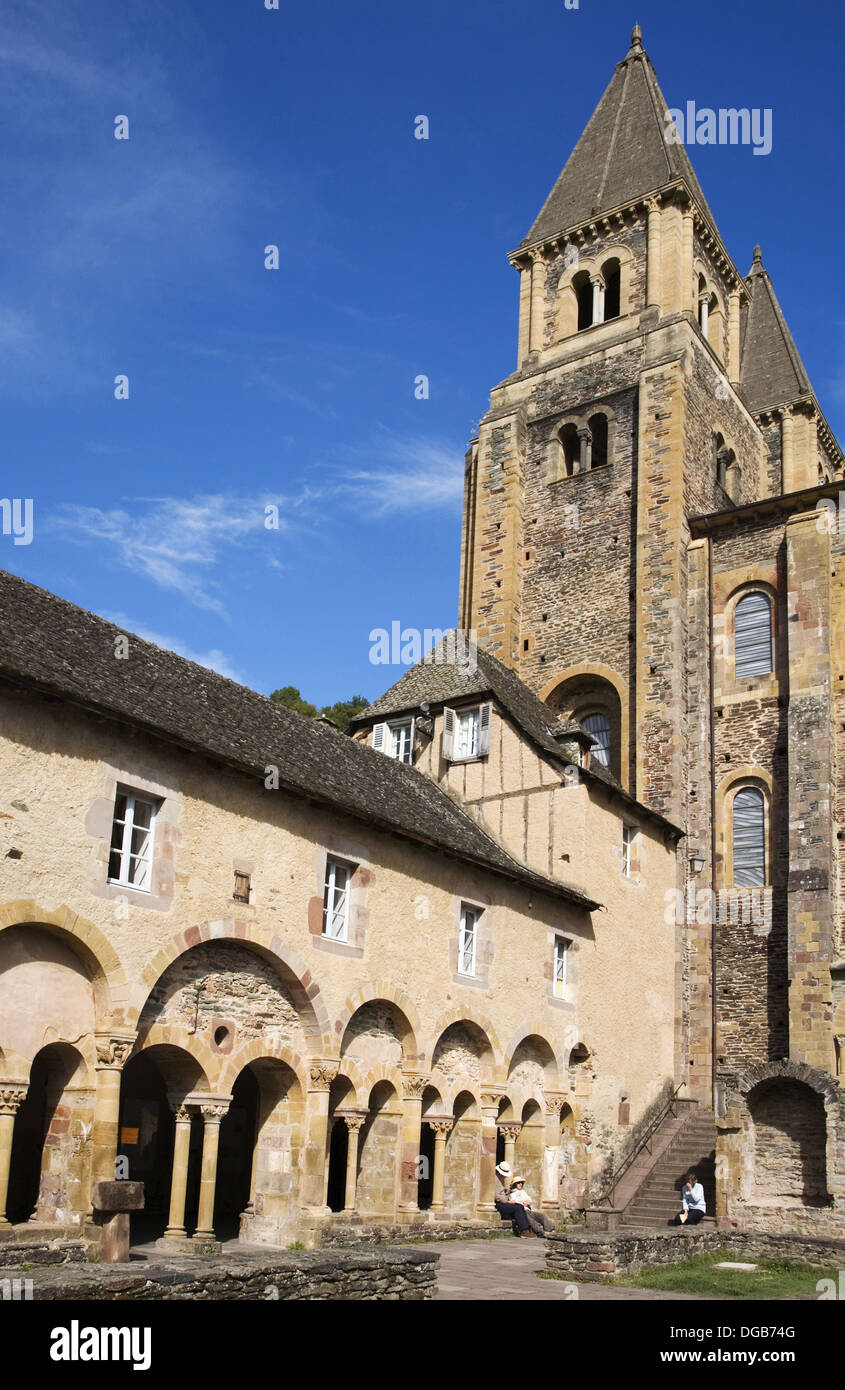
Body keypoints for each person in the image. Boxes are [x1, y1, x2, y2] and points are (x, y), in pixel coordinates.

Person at [494, 1160, 530, 1235]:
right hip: (498, 1204)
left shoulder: (500, 1179)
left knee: (520, 1206)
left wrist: (510, 1191)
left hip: (502, 1202)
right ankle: (524, 1230)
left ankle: (526, 1228)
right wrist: (508, 1202)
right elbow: (496, 1196)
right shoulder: (495, 1179)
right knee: (517, 1208)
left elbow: (502, 1191)